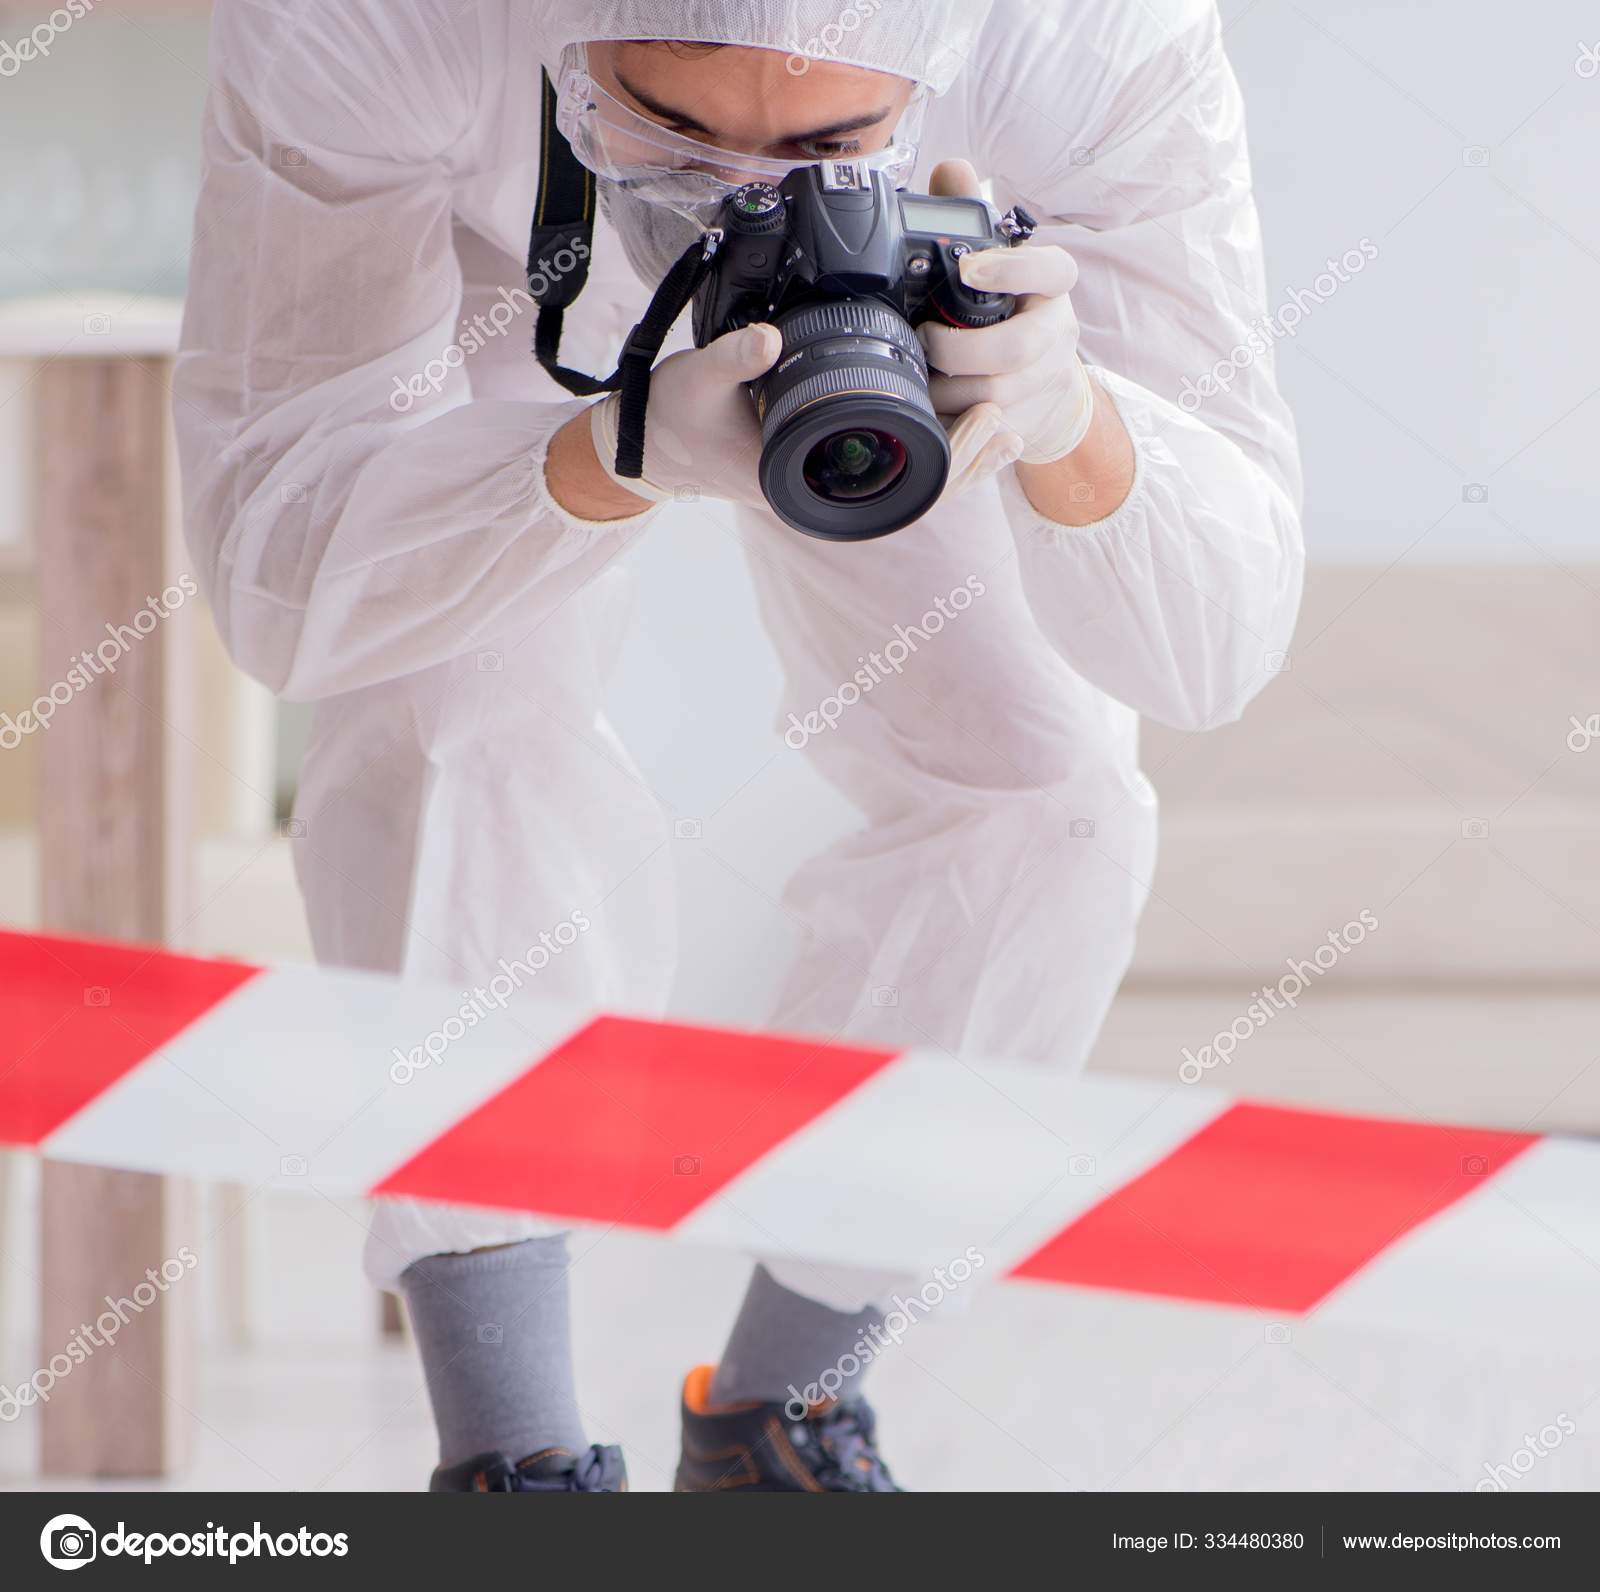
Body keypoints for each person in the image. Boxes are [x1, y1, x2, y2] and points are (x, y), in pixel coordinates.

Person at [174, 0, 1303, 1492]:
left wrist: (1070, 415)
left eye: (831, 143)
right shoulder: (368, 22)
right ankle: (510, 1459)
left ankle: (779, 1427)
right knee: (448, 714)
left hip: (890, 324)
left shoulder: (1089, 40)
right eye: (675, 127)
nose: (735, 199)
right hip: (495, 282)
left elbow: (1210, 646)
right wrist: (596, 464)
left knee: (1049, 787)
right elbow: (282, 579)